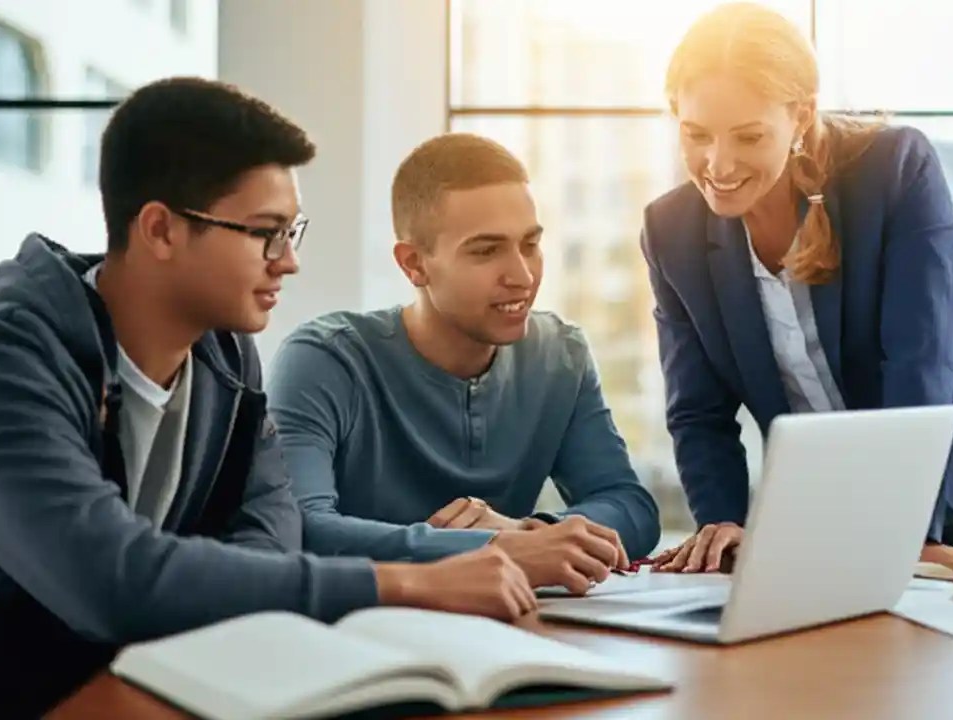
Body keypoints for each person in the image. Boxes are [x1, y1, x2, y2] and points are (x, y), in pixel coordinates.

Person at [0, 78, 533, 716]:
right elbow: (110, 576)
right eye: (266, 232)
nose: (287, 262)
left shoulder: (225, 353)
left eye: (293, 232)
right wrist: (403, 582)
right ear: (161, 229)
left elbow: (268, 528)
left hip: (157, 690)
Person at [642, 3, 953, 577]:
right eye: (696, 135)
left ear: (801, 116)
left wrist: (908, 538)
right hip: (841, 502)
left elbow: (922, 364)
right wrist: (725, 526)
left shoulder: (894, 171)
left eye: (748, 136)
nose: (719, 163)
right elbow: (697, 413)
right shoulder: (672, 232)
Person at [267, 133, 662, 593]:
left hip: (506, 630)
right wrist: (490, 545)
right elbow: (298, 528)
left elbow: (629, 505)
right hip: (360, 631)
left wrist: (534, 532)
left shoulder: (560, 354)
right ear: (414, 264)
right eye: (486, 251)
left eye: (530, 245)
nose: (522, 275)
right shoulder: (324, 359)